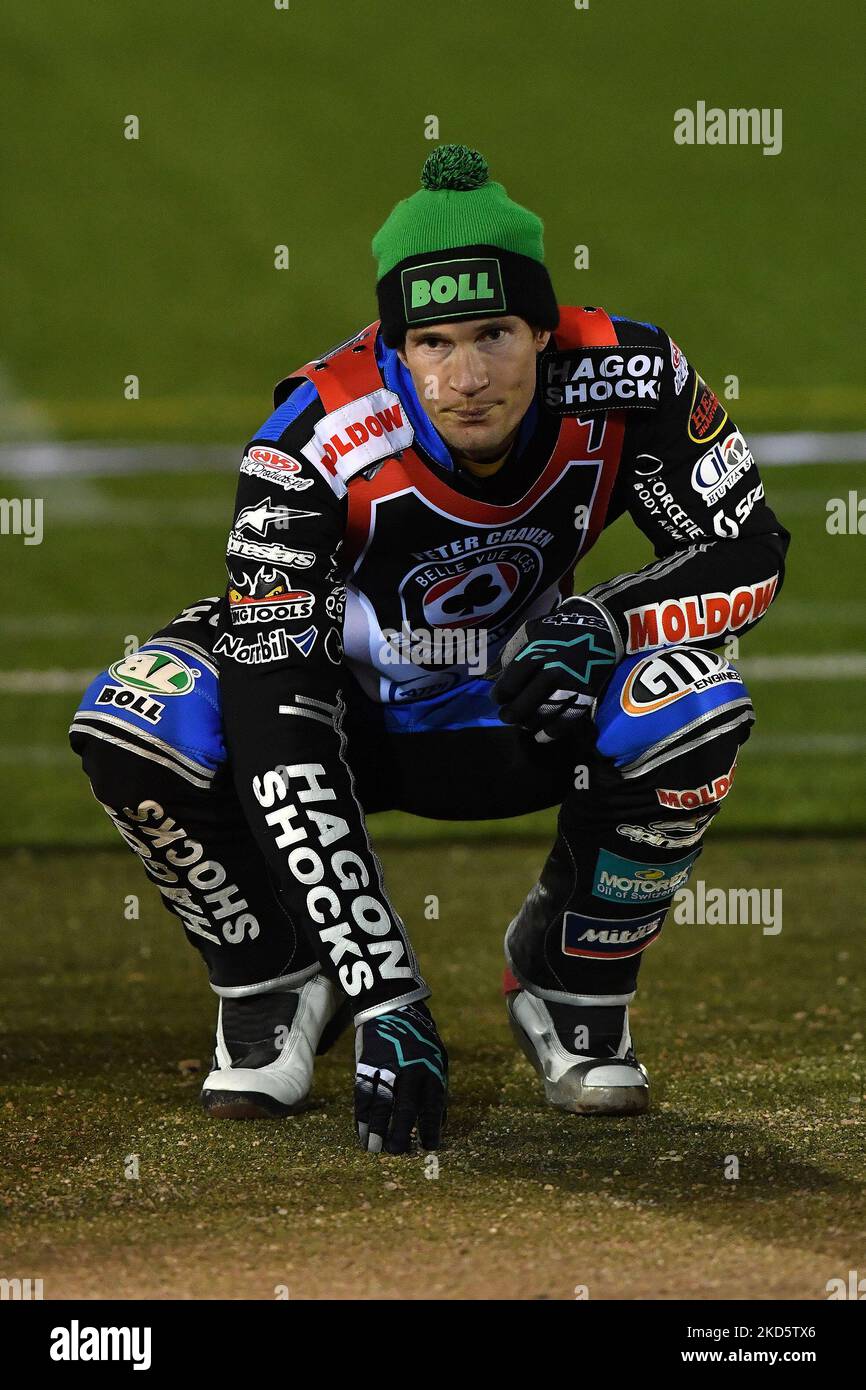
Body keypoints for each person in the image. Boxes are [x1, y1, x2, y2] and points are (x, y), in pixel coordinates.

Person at [70, 144, 789, 1155]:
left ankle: (570, 979)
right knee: (136, 714)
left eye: (495, 334)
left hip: (519, 703)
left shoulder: (634, 374)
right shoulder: (308, 435)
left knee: (693, 699)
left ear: (544, 327)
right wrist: (384, 989)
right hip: (343, 719)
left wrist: (607, 620)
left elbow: (747, 548)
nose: (466, 378)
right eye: (432, 343)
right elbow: (276, 724)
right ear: (393, 347)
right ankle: (276, 976)